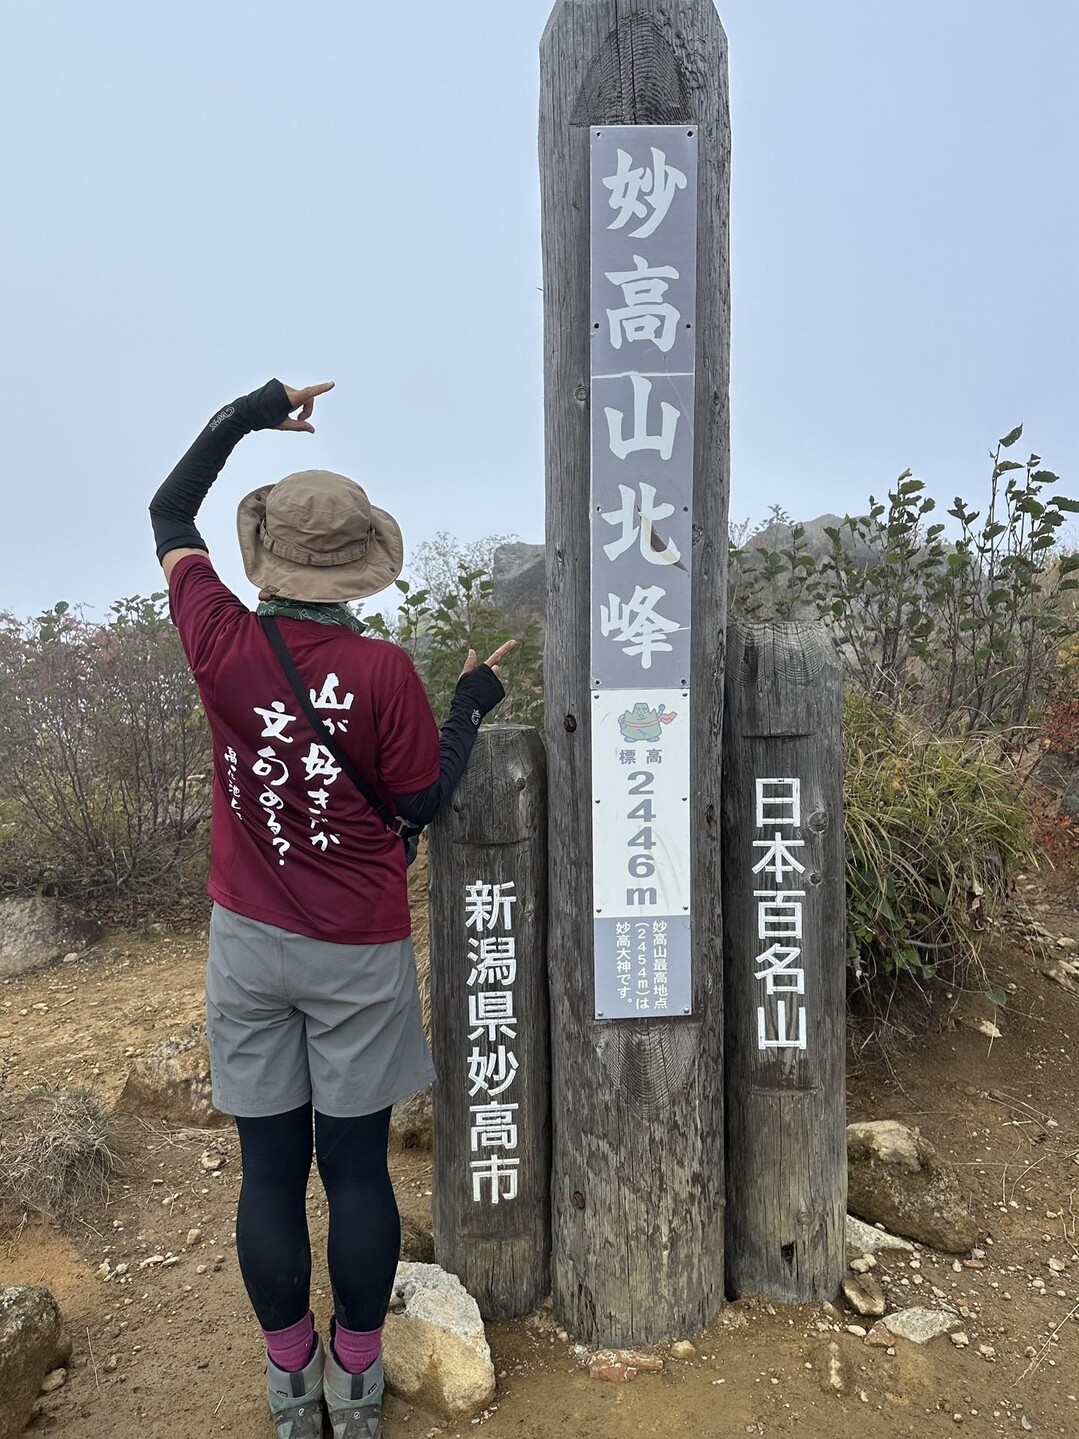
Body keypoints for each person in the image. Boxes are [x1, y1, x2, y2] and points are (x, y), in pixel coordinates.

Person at [149, 377, 512, 1439]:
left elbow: (170, 514)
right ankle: (357, 1383)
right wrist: (469, 708)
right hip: (356, 953)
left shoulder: (218, 638)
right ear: (356, 570)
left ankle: (286, 1381)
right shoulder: (384, 670)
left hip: (250, 947)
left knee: (268, 1170)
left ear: (267, 559)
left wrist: (242, 416)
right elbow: (419, 801)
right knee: (352, 1169)